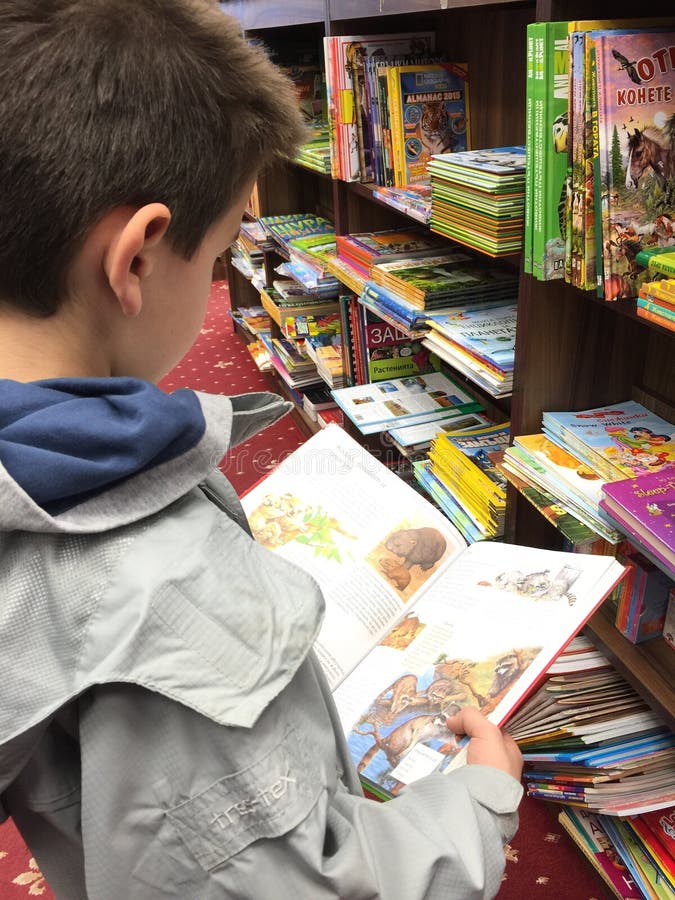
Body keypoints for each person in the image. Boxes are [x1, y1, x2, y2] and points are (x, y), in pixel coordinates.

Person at [0, 2, 523, 897]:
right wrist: (477, 803)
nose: (221, 279)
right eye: (219, 259)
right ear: (135, 260)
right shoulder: (165, 585)